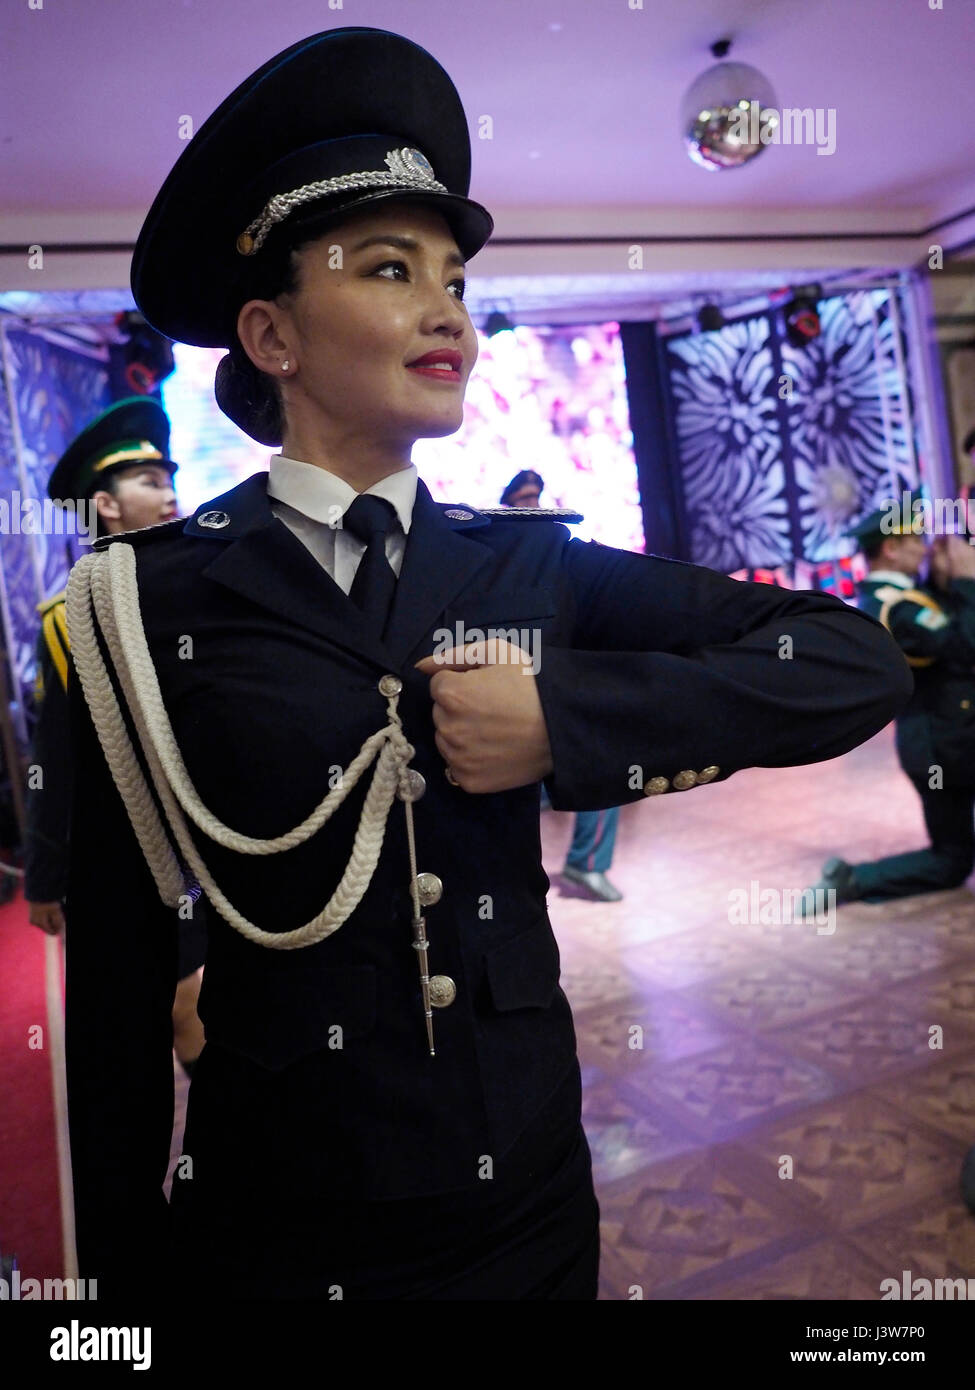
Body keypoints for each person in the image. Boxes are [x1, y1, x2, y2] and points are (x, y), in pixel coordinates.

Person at [62, 26, 910, 1302]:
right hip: (279, 1220)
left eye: (453, 274)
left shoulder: (531, 569)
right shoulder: (141, 602)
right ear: (272, 336)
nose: (445, 305)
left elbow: (849, 660)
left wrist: (563, 717)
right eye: (391, 269)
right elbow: (117, 1009)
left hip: (519, 1198)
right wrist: (106, 1329)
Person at [25, 398, 206, 1074]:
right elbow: (56, 762)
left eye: (169, 481)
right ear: (105, 503)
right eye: (150, 482)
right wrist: (46, 878)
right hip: (131, 848)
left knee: (207, 999)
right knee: (176, 1003)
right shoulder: (70, 619)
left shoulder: (204, 590)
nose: (169, 494)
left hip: (218, 832)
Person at [810, 499, 975, 903]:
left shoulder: (899, 598)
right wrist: (967, 579)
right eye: (916, 540)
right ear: (891, 548)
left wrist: (943, 583)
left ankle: (851, 881)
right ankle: (852, 882)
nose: (924, 548)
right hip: (942, 746)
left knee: (953, 856)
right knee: (952, 858)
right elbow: (966, 644)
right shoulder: (893, 606)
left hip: (941, 741)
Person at [500, 470, 623, 901]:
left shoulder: (557, 552)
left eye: (537, 497)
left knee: (602, 769)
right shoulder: (493, 556)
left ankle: (585, 866)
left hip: (553, 698)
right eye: (523, 498)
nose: (531, 505)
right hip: (505, 707)